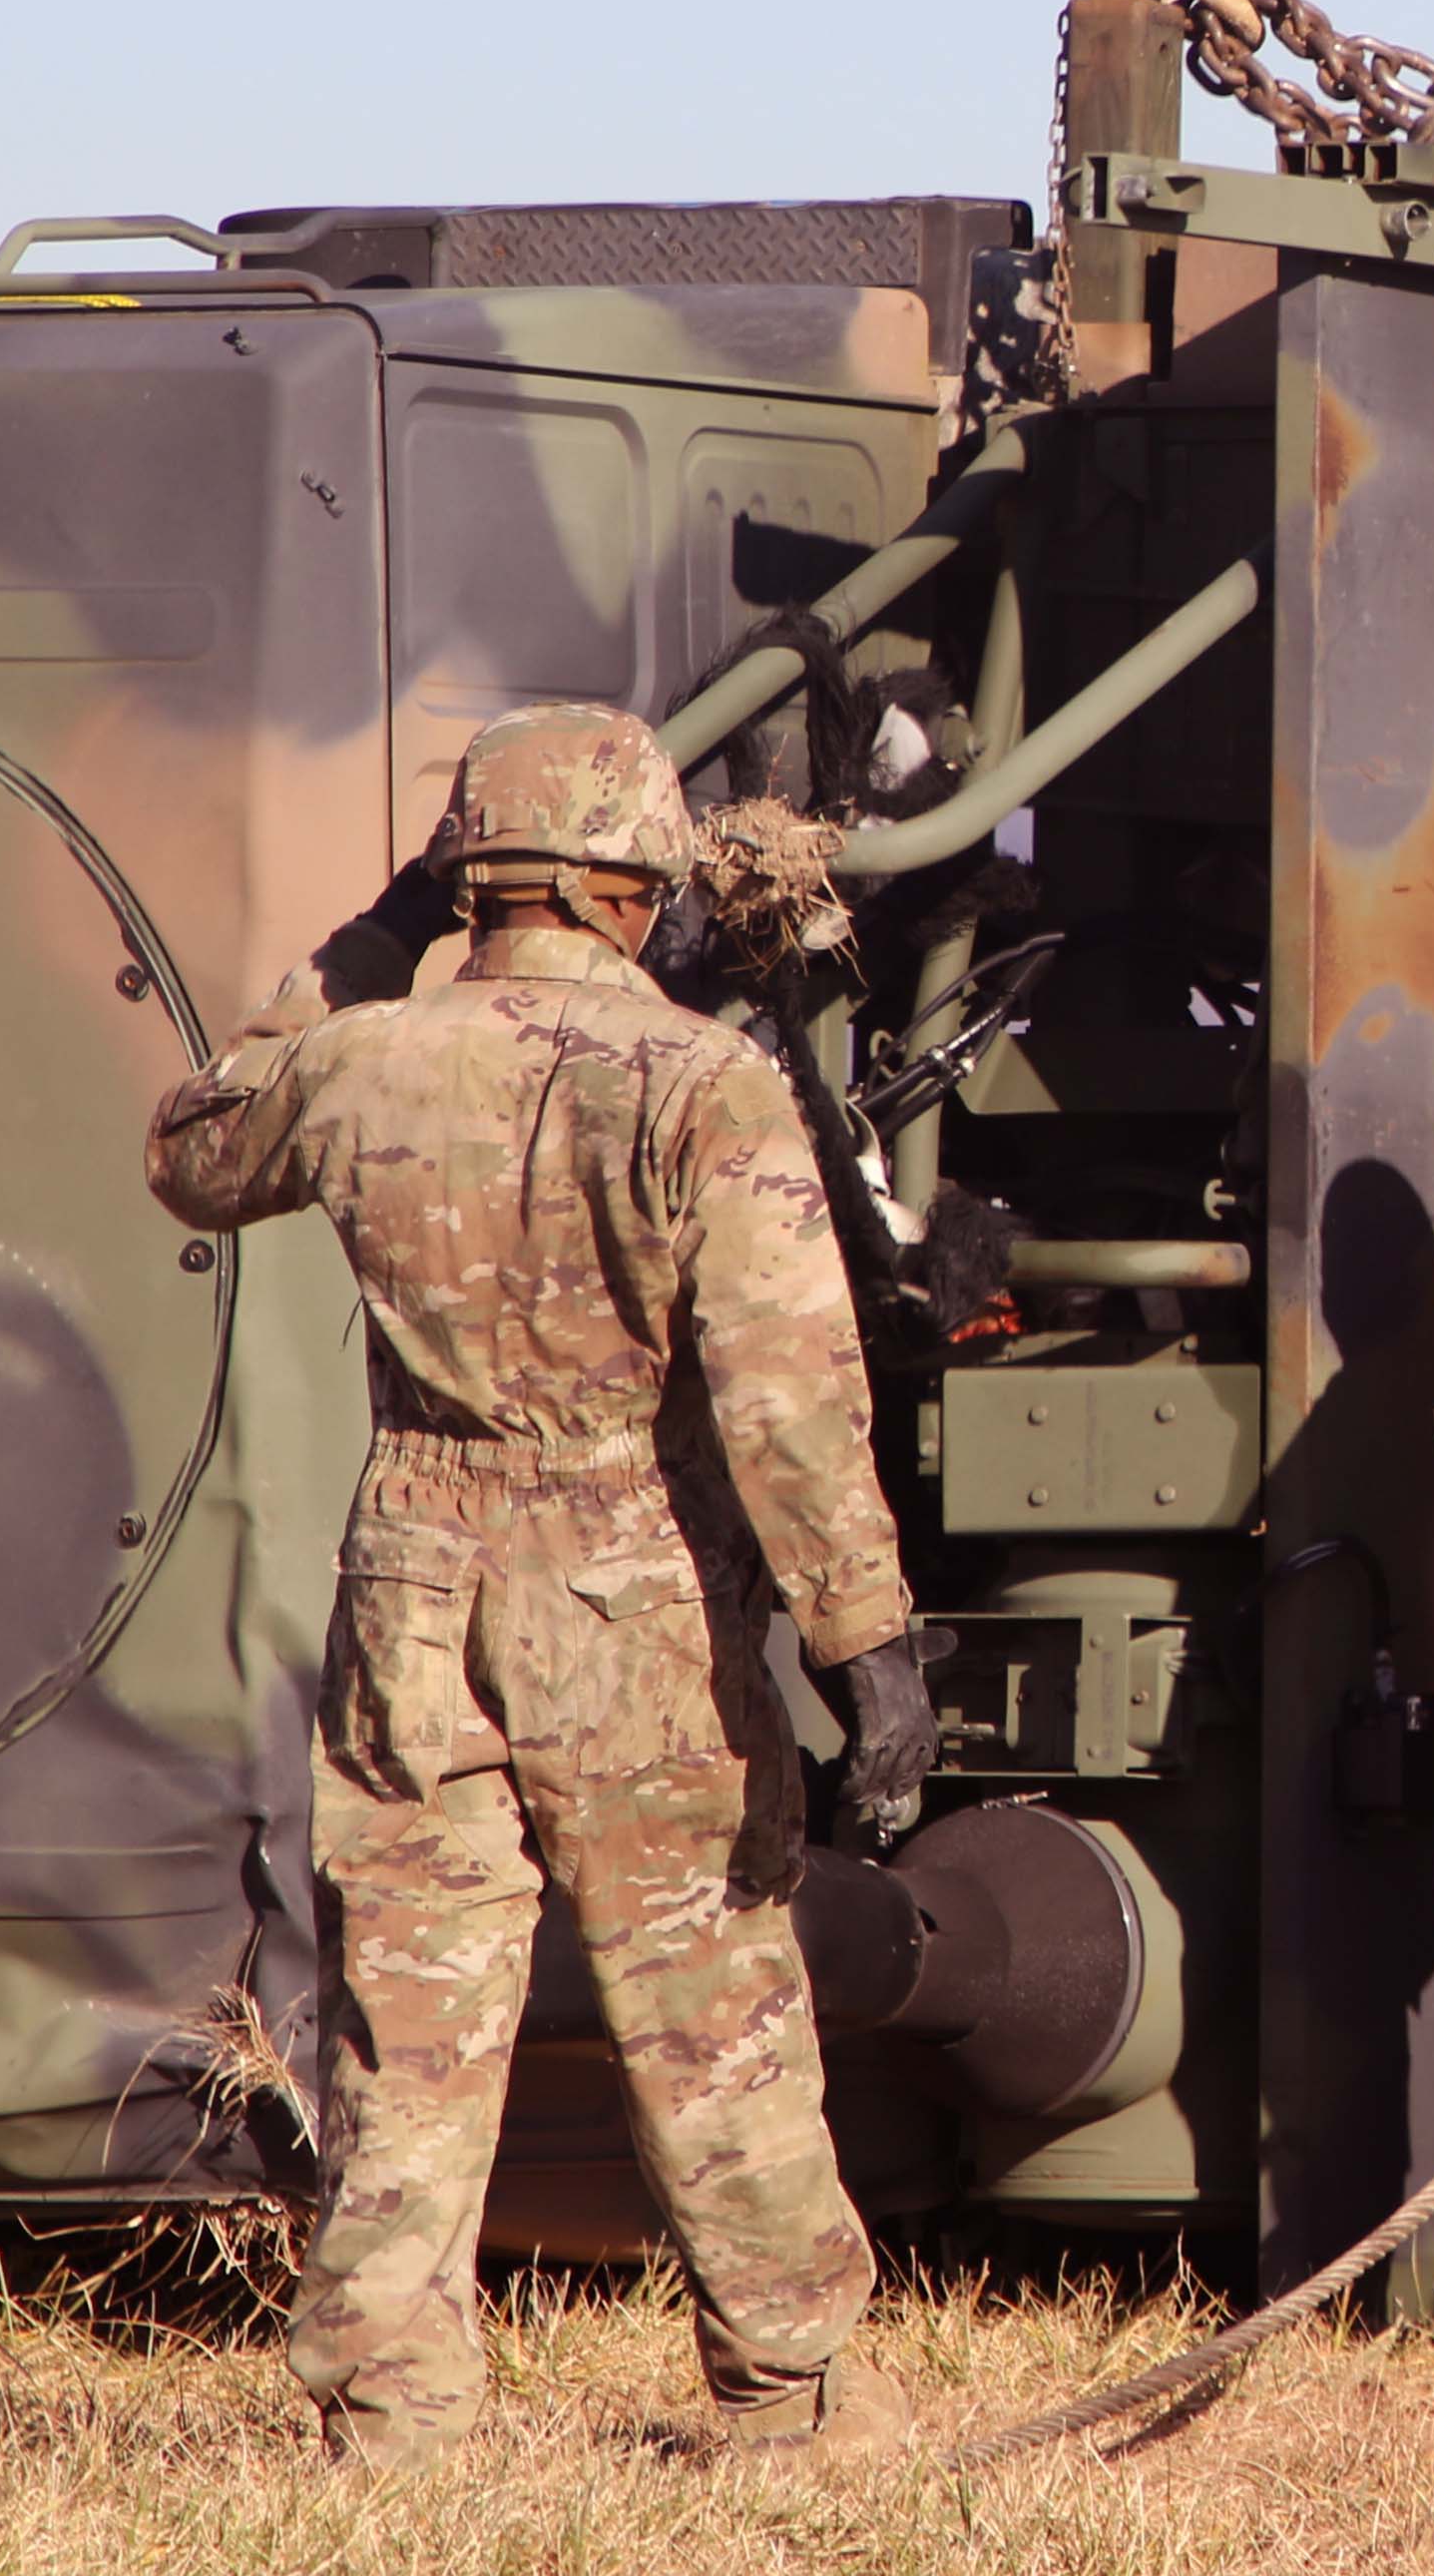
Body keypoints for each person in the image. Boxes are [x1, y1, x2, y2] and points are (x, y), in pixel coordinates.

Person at [144, 703, 936, 2468]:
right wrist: (867, 1639)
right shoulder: (702, 1089)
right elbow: (789, 1396)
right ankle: (786, 2402)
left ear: (469, 874)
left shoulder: (364, 1062)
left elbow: (191, 1143)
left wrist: (351, 953)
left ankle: (394, 2417)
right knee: (709, 2010)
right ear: (638, 890)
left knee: (409, 2020)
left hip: (415, 1584)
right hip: (634, 1587)